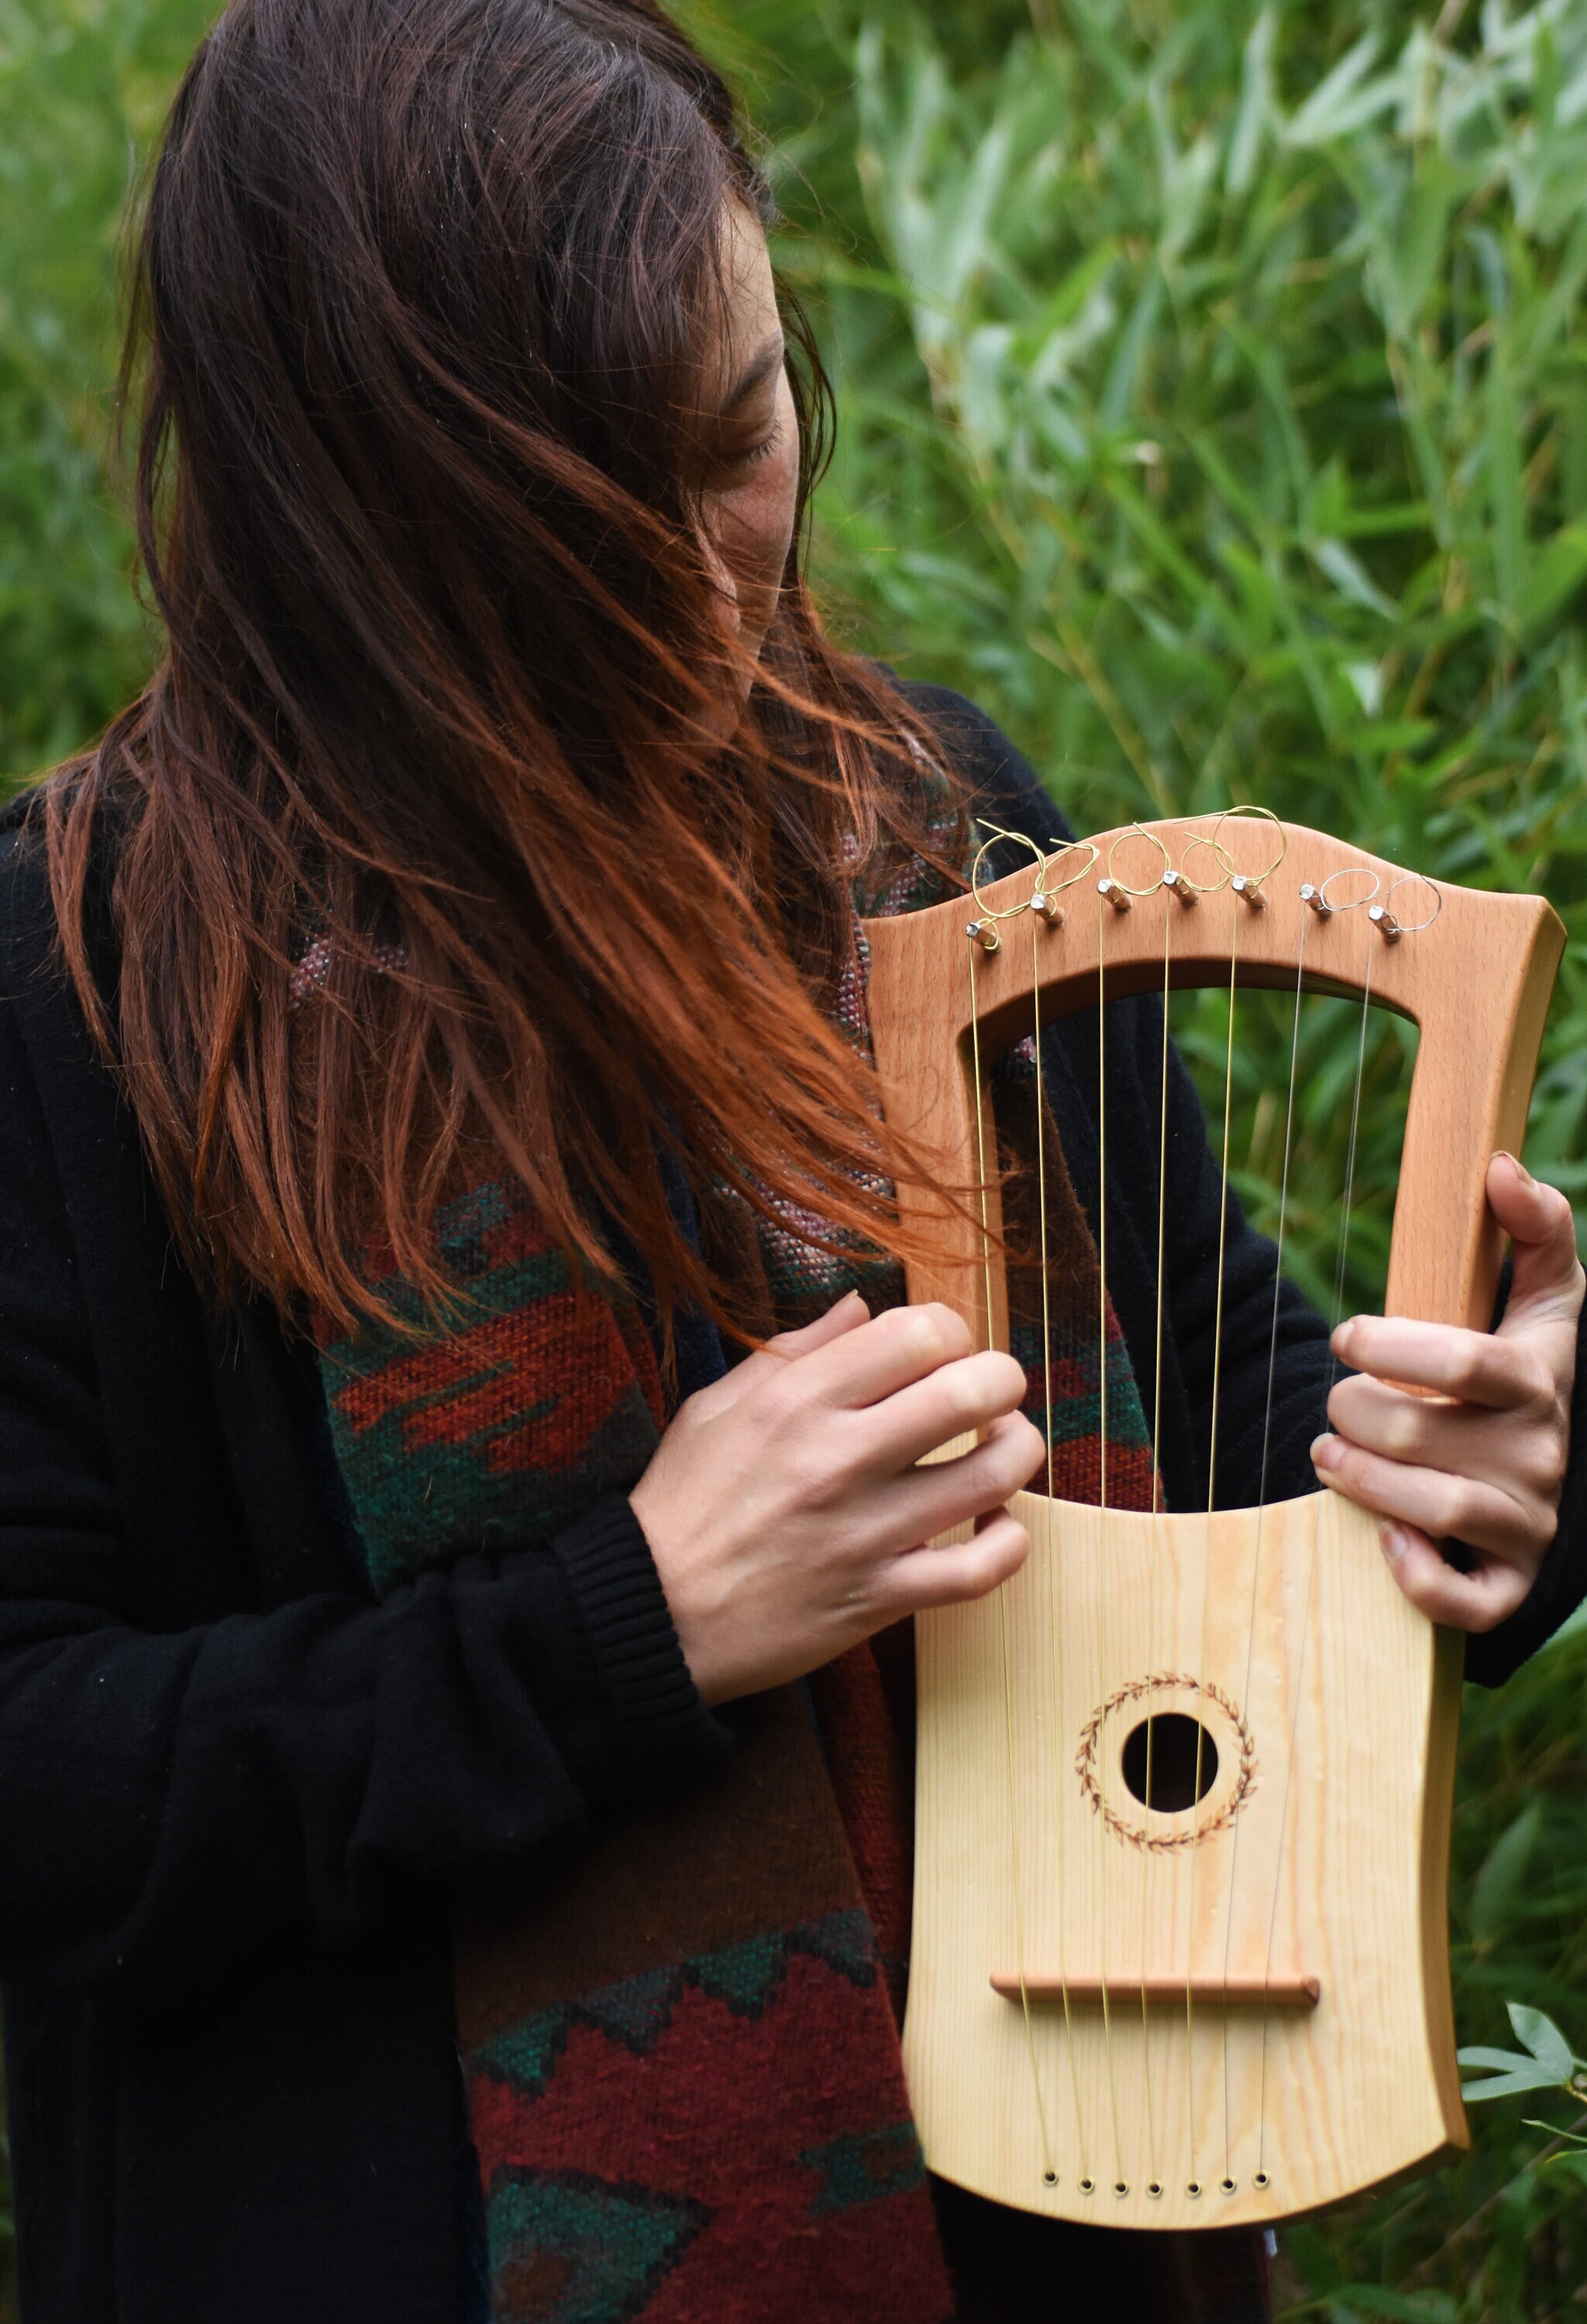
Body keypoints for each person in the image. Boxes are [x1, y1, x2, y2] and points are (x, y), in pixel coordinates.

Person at [0, 2, 1581, 2319]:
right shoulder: (79, 988)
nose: (703, 573)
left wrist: (1500, 1473)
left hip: (1075, 2240)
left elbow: (1234, 1424)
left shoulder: (934, 825)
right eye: (570, 522)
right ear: (348, 519)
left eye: (735, 431)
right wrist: (621, 1631)